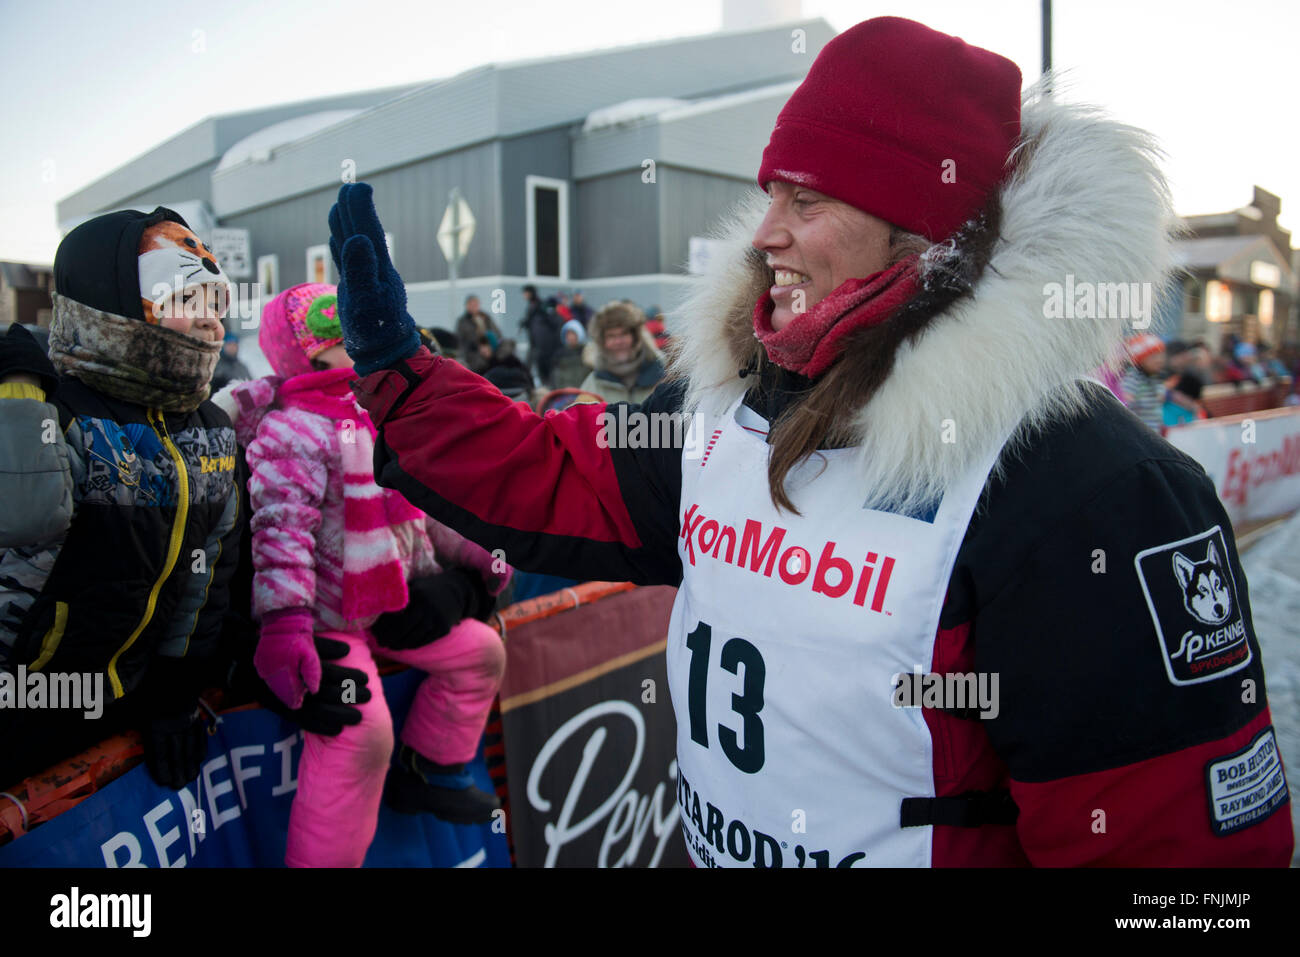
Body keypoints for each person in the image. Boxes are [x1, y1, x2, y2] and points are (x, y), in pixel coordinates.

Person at [325, 17, 1292, 867]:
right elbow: (548, 472)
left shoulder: (1091, 492)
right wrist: (400, 372)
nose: (765, 237)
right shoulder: (729, 409)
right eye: (771, 194)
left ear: (918, 231)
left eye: (808, 201)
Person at [221, 282, 510, 867]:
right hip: (326, 618)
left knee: (482, 651)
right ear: (307, 351)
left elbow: (429, 505)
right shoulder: (292, 430)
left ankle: (429, 767)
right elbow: (282, 531)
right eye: (339, 337)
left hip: (395, 600)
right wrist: (284, 624)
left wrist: (478, 558)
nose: (357, 344)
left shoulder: (381, 415)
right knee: (360, 727)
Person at [0, 208, 242, 790]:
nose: (211, 322)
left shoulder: (210, 426)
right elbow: (23, 517)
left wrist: (174, 691)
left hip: (126, 702)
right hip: (20, 705)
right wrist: (16, 398)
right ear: (118, 298)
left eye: (215, 302)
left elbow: (207, 576)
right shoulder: (59, 411)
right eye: (187, 299)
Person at [578, 301, 666, 404]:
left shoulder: (663, 371)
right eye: (611, 336)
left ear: (635, 337)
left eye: (624, 334)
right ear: (602, 342)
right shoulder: (593, 383)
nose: (618, 342)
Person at [1120, 333, 1167, 432]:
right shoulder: (1133, 378)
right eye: (1153, 357)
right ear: (1140, 360)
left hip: (1154, 429)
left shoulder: (1156, 377)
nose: (1159, 360)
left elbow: (1160, 398)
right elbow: (1125, 401)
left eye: (1161, 356)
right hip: (1137, 431)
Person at [520, 284, 561, 386]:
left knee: (547, 374)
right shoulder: (531, 306)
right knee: (529, 369)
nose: (524, 295)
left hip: (545, 347)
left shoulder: (542, 305)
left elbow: (554, 322)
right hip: (535, 345)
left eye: (526, 293)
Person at [454, 295, 503, 374]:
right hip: (473, 353)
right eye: (472, 305)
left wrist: (490, 347)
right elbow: (460, 342)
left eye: (476, 304)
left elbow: (497, 334)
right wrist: (478, 347)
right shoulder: (462, 322)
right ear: (467, 306)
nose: (474, 307)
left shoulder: (486, 317)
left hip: (491, 350)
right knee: (480, 364)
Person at [550, 319, 591, 389]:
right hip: (566, 394)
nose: (571, 337)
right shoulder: (559, 356)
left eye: (573, 334)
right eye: (568, 334)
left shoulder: (588, 353)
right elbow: (556, 378)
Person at [211, 325, 252, 392]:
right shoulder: (216, 366)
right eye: (229, 344)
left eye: (235, 345)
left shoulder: (241, 366)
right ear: (223, 346)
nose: (232, 347)